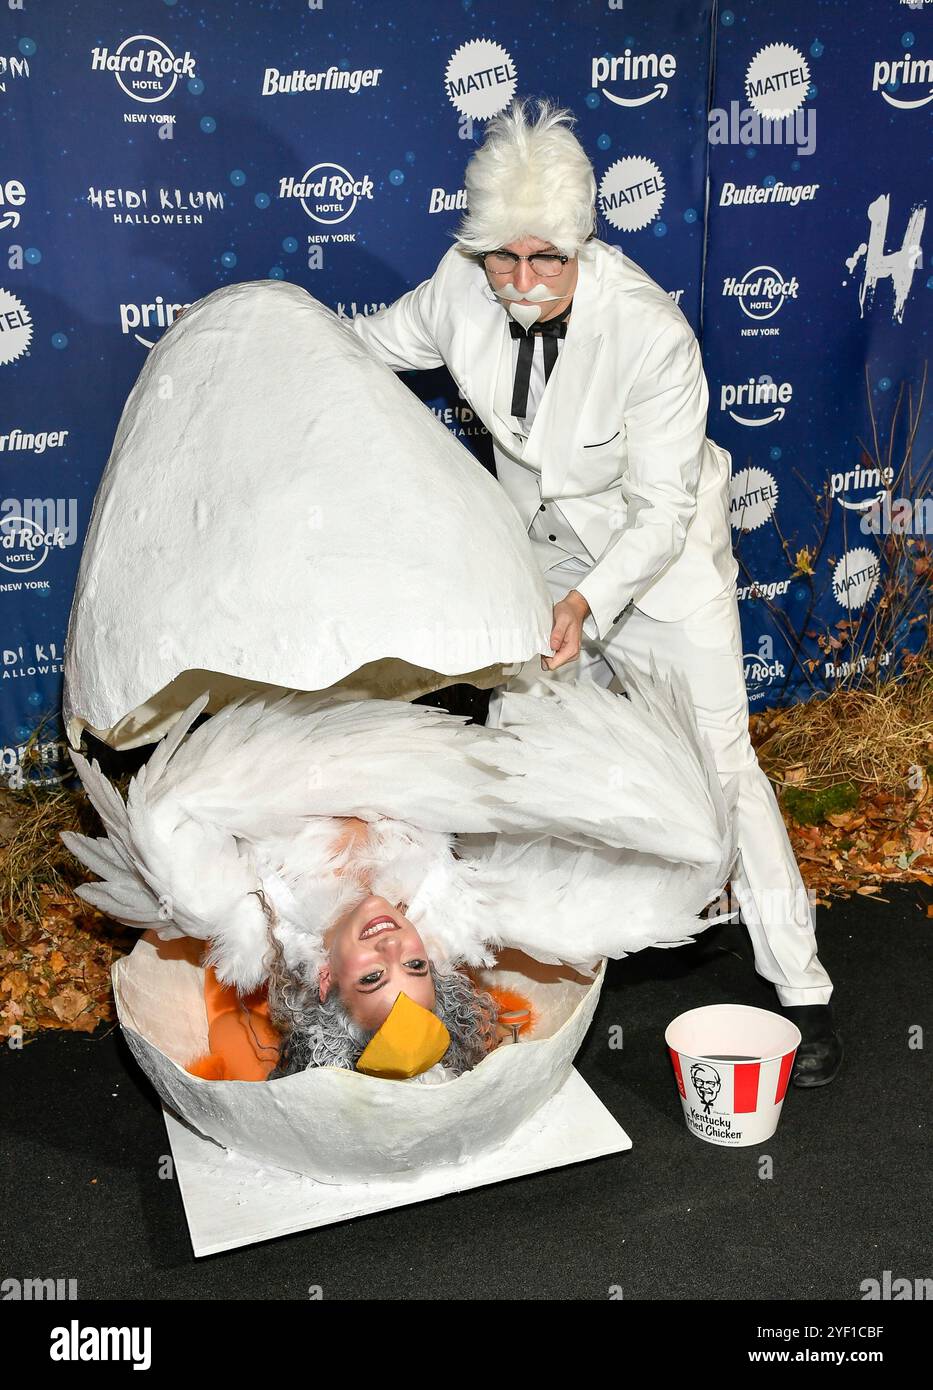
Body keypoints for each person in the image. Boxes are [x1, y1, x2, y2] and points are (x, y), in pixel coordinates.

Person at [349, 97, 842, 1087]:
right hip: (542, 561)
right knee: (522, 753)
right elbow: (363, 344)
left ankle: (802, 986)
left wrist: (591, 605)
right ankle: (529, 967)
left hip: (657, 570)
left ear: (582, 246)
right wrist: (266, 331)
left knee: (722, 768)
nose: (523, 284)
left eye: (548, 261)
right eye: (504, 260)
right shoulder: (456, 289)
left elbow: (660, 512)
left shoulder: (651, 333)